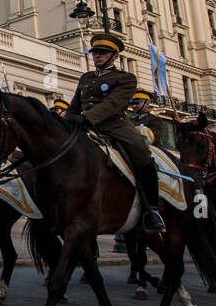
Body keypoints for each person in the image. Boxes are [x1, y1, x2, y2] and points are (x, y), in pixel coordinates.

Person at [65, 31, 165, 232]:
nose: (97, 56)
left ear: (115, 56)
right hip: (85, 125)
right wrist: (65, 120)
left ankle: (152, 209)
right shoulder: (86, 77)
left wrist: (87, 117)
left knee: (141, 153)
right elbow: (75, 105)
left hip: (114, 125)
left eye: (103, 53)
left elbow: (113, 103)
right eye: (95, 53)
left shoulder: (126, 78)